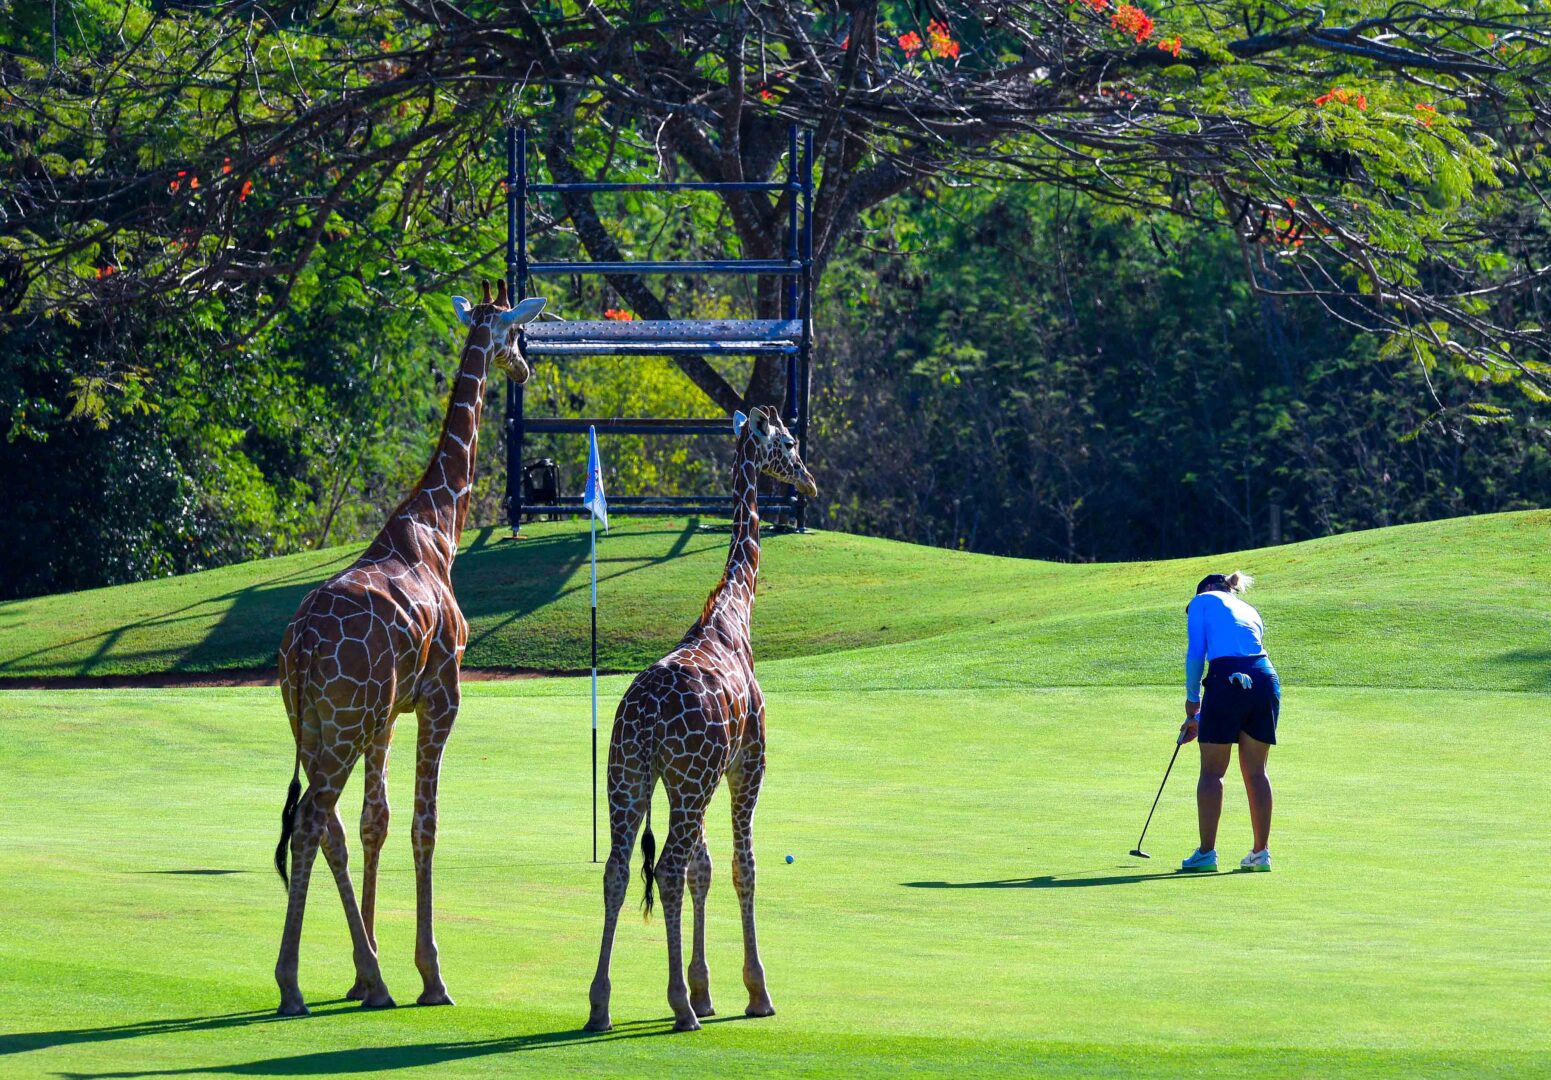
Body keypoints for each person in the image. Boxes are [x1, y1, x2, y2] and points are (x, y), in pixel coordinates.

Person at [1177, 571, 1279, 873]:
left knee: (1212, 771)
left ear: (1207, 588)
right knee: (1256, 772)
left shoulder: (1202, 600)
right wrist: (1200, 718)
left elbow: (1196, 653)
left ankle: (1206, 854)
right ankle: (1261, 853)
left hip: (1225, 679)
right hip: (1265, 678)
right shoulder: (1250, 609)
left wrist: (1192, 702)